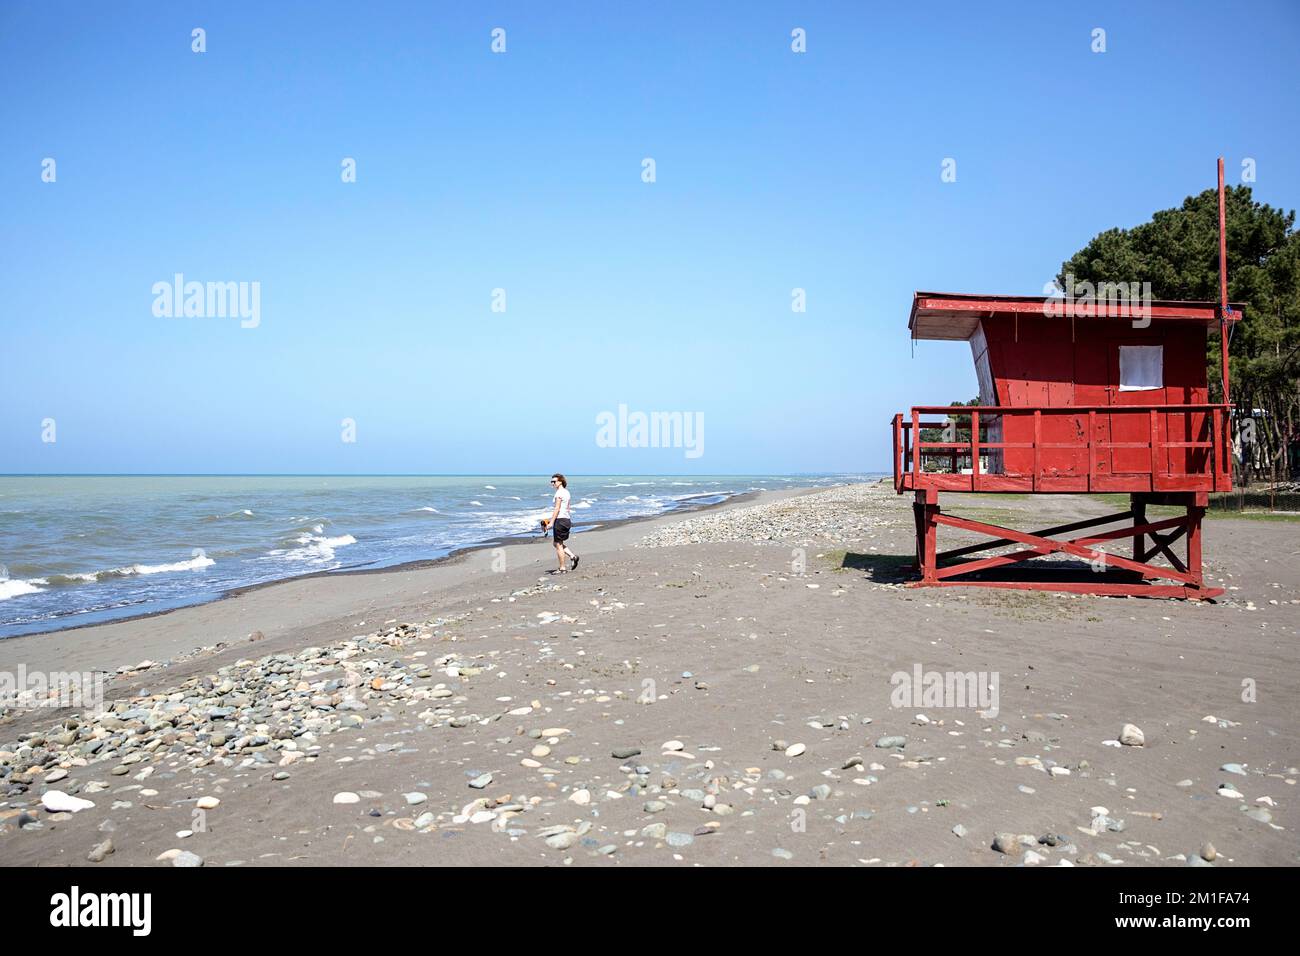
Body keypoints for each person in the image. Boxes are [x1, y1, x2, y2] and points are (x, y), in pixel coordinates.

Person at [543, 473, 579, 572]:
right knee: (556, 543)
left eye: (554, 482)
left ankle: (562, 568)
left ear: (560, 482)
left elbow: (557, 508)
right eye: (551, 482)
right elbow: (566, 507)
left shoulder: (559, 493)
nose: (552, 483)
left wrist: (551, 522)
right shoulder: (567, 492)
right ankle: (573, 556)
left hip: (560, 520)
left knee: (558, 545)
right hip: (566, 519)